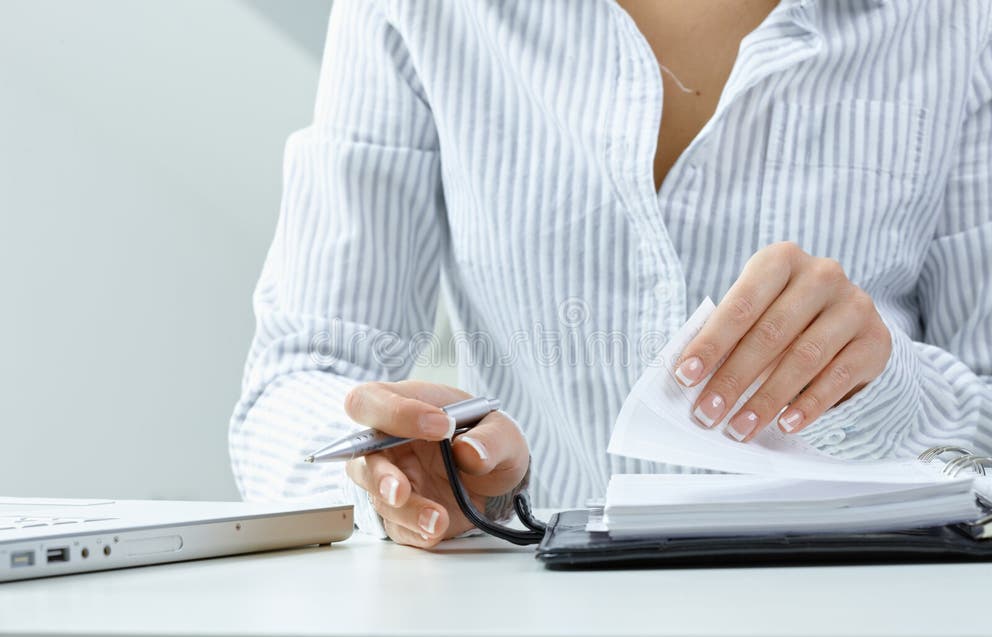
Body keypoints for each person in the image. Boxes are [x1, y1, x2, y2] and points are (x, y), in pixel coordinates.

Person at [230, 0, 992, 547]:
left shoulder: (962, 24)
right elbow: (294, 384)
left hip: (865, 624)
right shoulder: (418, 12)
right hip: (531, 625)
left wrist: (883, 392)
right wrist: (388, 473)